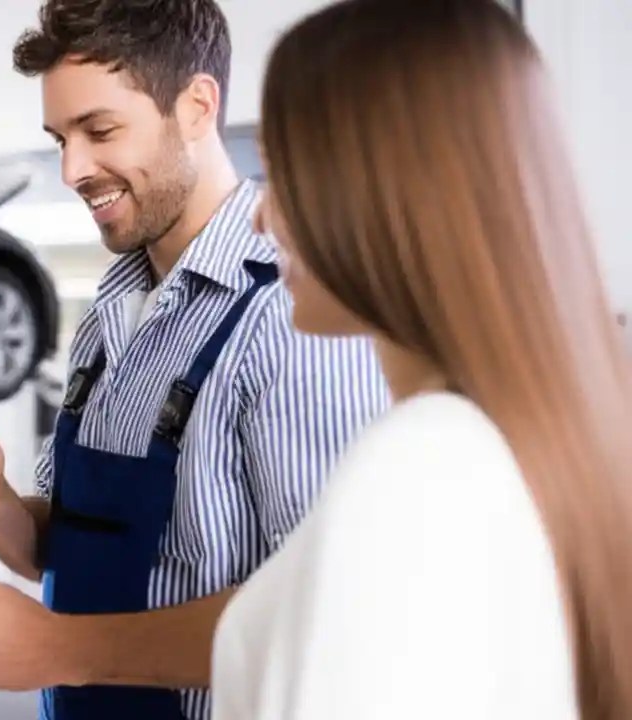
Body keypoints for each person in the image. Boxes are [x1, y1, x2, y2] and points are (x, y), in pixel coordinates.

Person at [0, 1, 389, 718]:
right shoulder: (109, 313)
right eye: (60, 137)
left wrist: (62, 649)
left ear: (197, 106)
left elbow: (322, 614)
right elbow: (69, 550)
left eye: (100, 130)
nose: (72, 168)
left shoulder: (290, 314)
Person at [208, 1, 632, 718]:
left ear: (381, 186)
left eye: (282, 173)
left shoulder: (419, 473)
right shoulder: (532, 444)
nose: (259, 215)